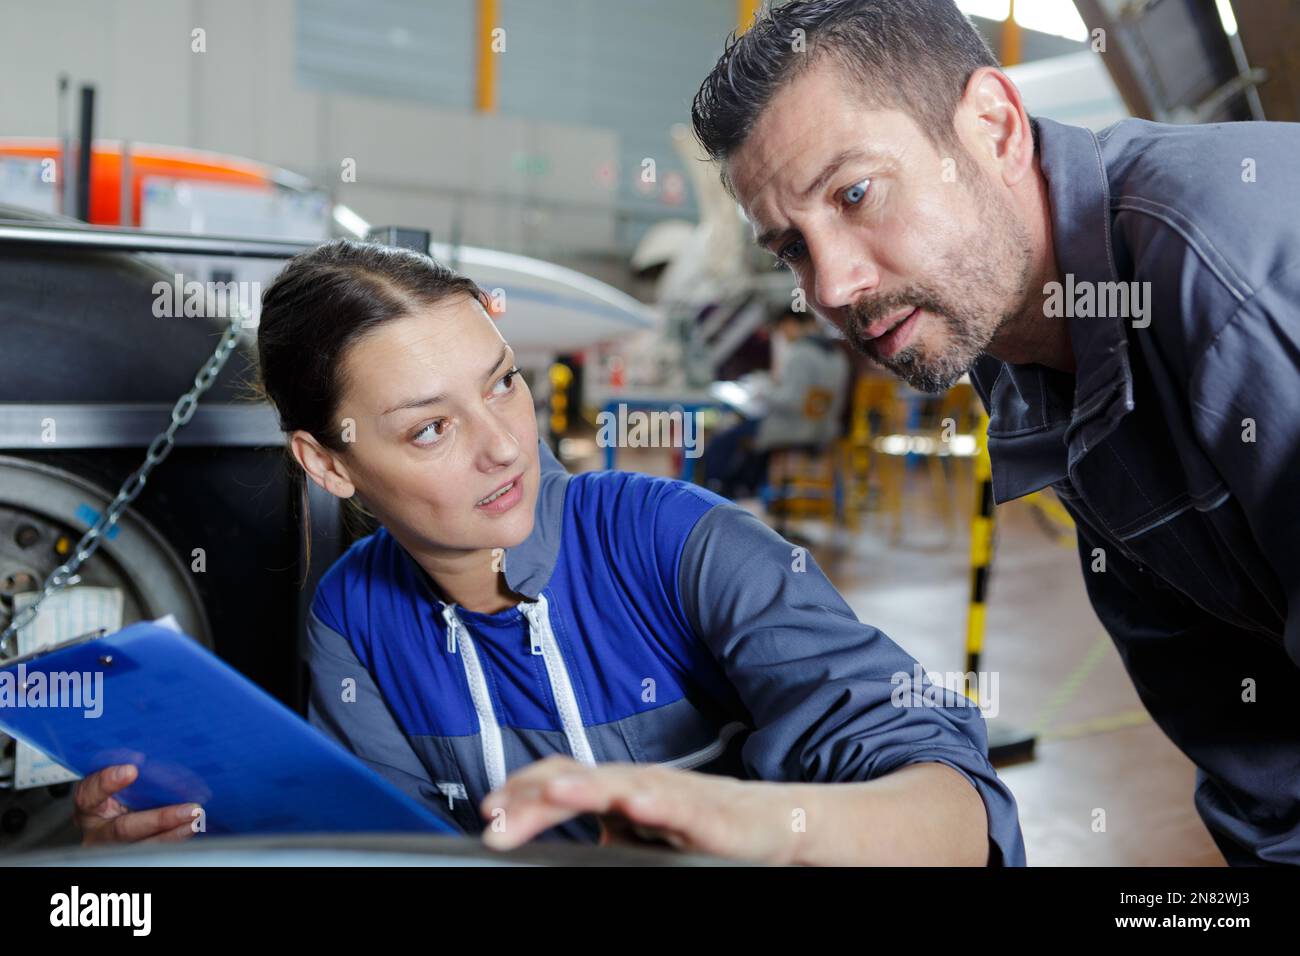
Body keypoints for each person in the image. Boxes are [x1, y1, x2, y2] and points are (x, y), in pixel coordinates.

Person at [72, 238, 1024, 865]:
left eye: (503, 383)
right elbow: (396, 851)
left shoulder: (674, 540)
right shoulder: (352, 620)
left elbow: (954, 807)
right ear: (327, 464)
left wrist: (754, 822)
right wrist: (178, 859)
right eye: (430, 430)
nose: (501, 444)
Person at [691, 0, 1300, 864]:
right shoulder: (1010, 343)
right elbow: (1235, 717)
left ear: (993, 125)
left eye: (856, 194)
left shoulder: (1228, 277)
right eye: (791, 247)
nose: (832, 286)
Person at [701, 307, 850, 500]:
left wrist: (762, 392)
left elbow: (791, 400)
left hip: (794, 427)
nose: (782, 336)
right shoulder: (836, 355)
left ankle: (715, 490)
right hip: (824, 428)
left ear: (790, 324)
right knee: (749, 440)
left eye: (782, 329)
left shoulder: (802, 353)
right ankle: (746, 489)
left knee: (726, 439)